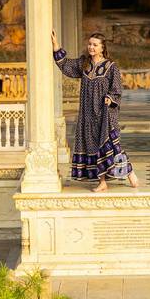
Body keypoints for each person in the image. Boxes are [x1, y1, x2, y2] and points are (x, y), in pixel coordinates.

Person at [51, 29, 140, 192]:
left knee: (113, 145)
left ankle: (129, 172)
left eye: (95, 45)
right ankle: (102, 181)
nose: (91, 47)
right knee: (92, 146)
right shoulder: (84, 64)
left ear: (102, 47)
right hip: (87, 114)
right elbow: (65, 65)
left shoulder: (110, 66)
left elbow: (117, 88)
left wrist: (111, 98)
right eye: (90, 44)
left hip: (105, 113)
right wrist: (56, 45)